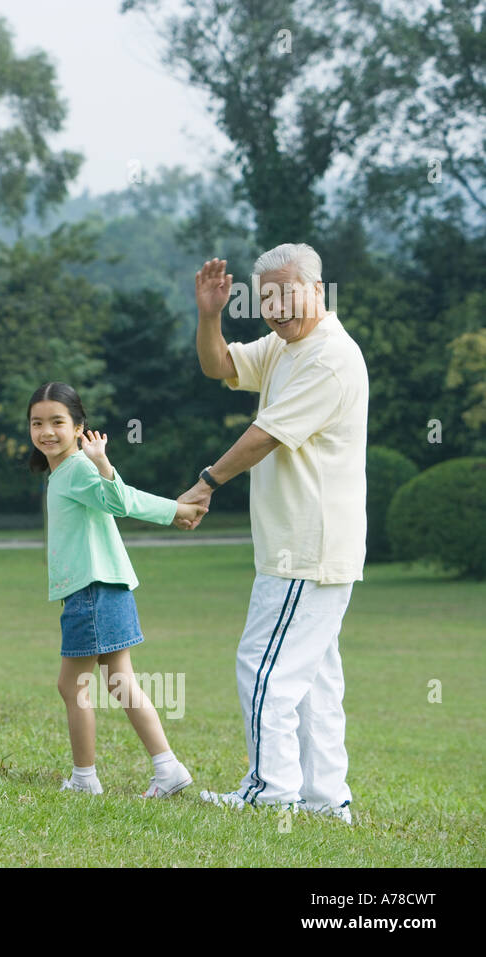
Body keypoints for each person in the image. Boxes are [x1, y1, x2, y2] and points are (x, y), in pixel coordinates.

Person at [180, 245, 368, 824]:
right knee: (312, 680)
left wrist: (206, 482)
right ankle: (325, 799)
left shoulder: (328, 357)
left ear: (317, 289)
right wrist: (210, 314)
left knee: (263, 666)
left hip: (304, 548)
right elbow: (220, 368)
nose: (277, 308)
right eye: (265, 299)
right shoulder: (288, 345)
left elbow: (263, 435)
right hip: (308, 549)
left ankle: (269, 791)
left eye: (287, 295)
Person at [27, 382, 206, 797]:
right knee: (121, 682)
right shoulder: (63, 473)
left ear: (79, 427)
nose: (47, 431)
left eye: (58, 422)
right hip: (106, 586)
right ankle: (168, 768)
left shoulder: (77, 468)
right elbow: (118, 501)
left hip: (93, 590)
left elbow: (121, 501)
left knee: (73, 687)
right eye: (38, 423)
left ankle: (85, 780)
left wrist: (106, 466)